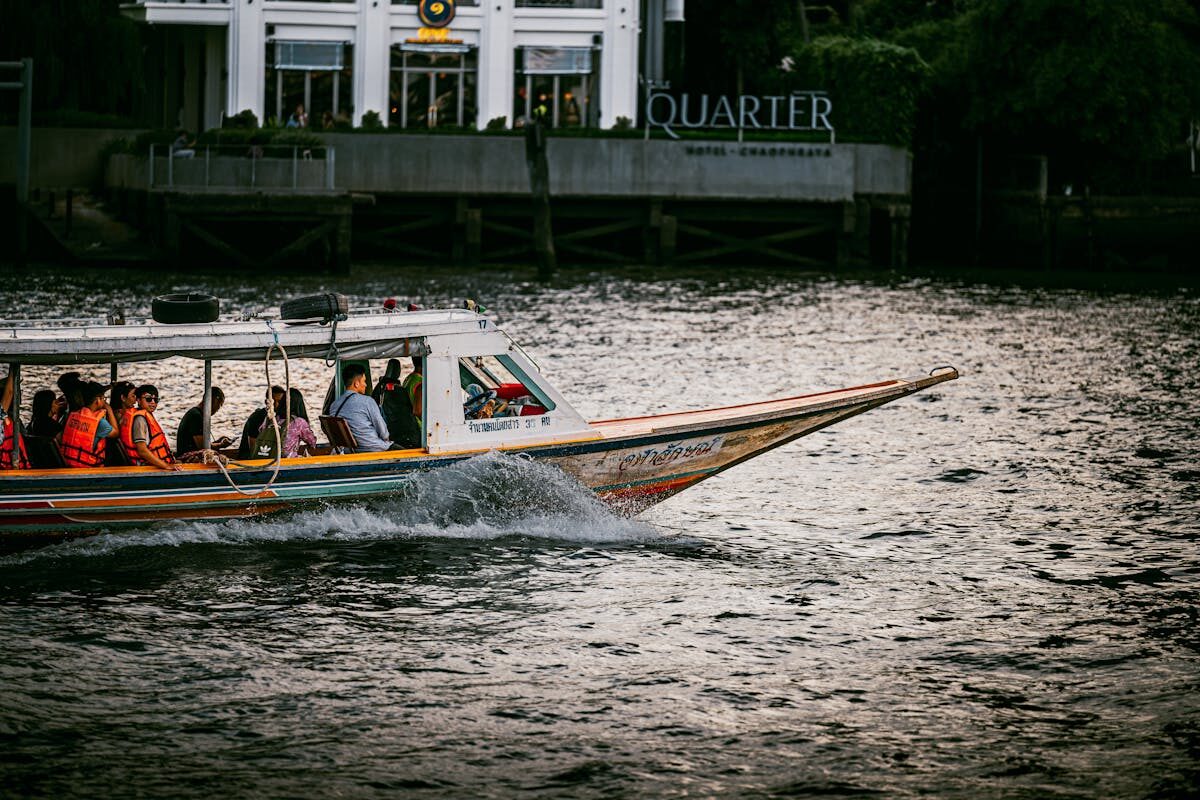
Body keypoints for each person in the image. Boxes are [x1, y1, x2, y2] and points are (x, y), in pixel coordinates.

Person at [328, 364, 399, 453]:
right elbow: (383, 433)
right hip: (373, 448)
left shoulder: (334, 405)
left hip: (348, 450)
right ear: (356, 384)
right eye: (364, 381)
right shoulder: (367, 401)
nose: (365, 385)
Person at [59, 381, 119, 468]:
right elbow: (116, 433)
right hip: (87, 467)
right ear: (98, 400)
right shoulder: (100, 423)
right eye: (104, 399)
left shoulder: (74, 415)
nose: (104, 401)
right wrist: (109, 409)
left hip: (69, 463)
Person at [120, 385, 178, 470]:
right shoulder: (140, 419)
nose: (153, 402)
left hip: (155, 462)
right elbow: (142, 451)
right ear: (138, 400)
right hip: (145, 466)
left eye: (156, 400)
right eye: (148, 399)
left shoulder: (146, 416)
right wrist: (166, 466)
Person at [255, 388, 317, 459]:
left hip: (267, 454)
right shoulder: (299, 422)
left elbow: (261, 430)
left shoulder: (272, 418)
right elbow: (312, 442)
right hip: (286, 459)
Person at [176, 387, 233, 456]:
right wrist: (221, 445)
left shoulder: (197, 413)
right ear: (213, 400)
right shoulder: (195, 416)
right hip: (187, 457)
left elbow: (203, 444)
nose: (217, 409)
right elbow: (203, 447)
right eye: (219, 405)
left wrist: (218, 441)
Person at [237, 385, 285, 459]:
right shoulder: (257, 417)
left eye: (280, 402)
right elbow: (253, 447)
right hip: (249, 457)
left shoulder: (281, 416)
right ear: (266, 402)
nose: (277, 405)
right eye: (274, 401)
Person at [0, 372, 30, 469]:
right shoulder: (3, 419)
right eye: (18, 391)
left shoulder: (13, 420)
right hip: (11, 471)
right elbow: (9, 392)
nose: (20, 394)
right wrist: (13, 367)